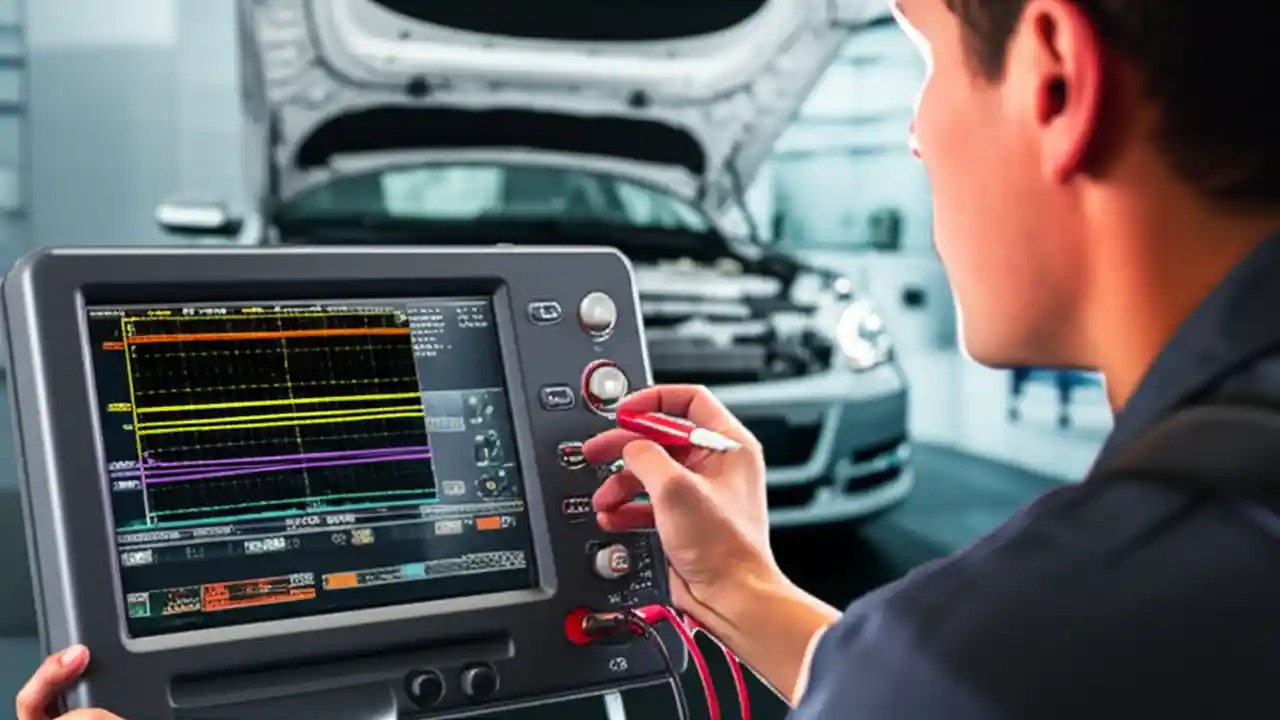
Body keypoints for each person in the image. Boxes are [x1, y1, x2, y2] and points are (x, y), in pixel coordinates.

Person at [18, 0, 1280, 717]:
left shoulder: (990, 658)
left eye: (927, 60)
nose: (911, 133)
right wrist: (745, 594)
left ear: (1054, 77)